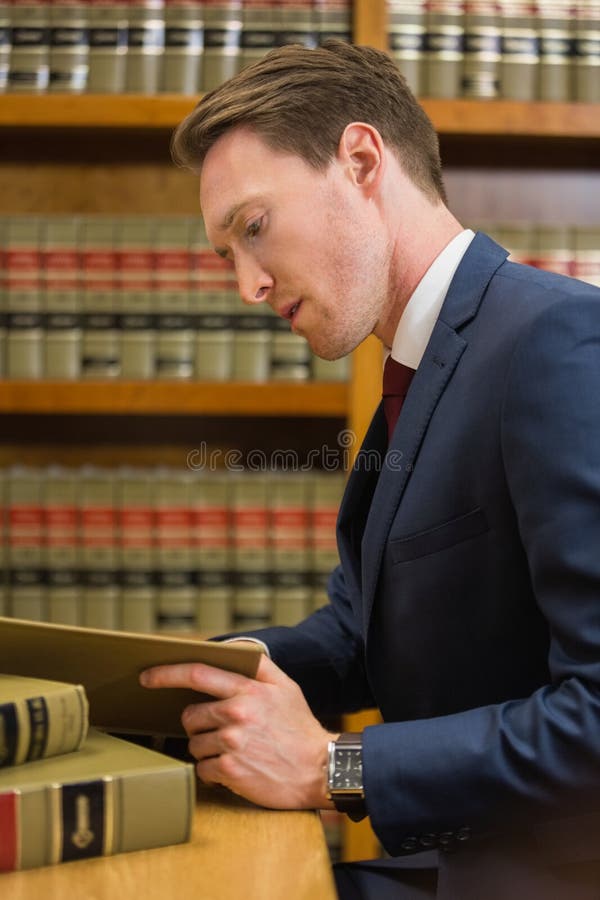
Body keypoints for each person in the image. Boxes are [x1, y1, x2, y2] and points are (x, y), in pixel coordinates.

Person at [139, 40, 600, 899]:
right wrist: (174, 678)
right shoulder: (420, 371)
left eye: (253, 227)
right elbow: (362, 635)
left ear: (359, 161)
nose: (247, 284)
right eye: (227, 255)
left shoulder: (556, 345)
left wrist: (332, 767)